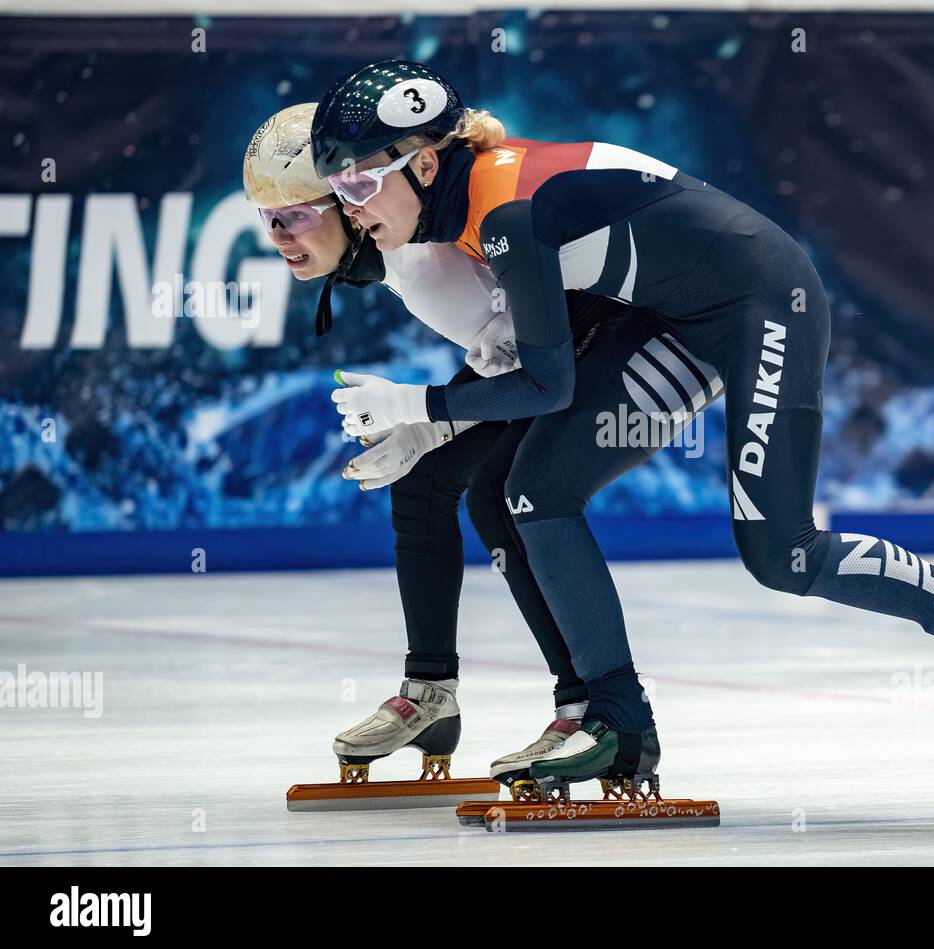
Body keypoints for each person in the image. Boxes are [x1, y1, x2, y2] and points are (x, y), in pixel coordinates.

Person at [313, 61, 934, 793]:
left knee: (783, 553)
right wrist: (435, 417)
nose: (348, 205)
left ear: (424, 165)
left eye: (358, 180)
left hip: (763, 306)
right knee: (534, 491)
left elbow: (547, 383)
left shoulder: (505, 211)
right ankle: (618, 720)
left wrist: (422, 407)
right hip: (665, 320)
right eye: (336, 186)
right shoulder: (470, 208)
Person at [243, 102, 720, 785]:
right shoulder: (403, 247)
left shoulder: (416, 263)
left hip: (629, 333)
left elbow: (517, 364)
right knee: (436, 485)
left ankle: (581, 707)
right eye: (267, 220)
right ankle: (439, 694)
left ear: (346, 203)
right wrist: (428, 426)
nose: (278, 237)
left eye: (291, 216)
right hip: (585, 334)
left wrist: (428, 420)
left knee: (499, 493)